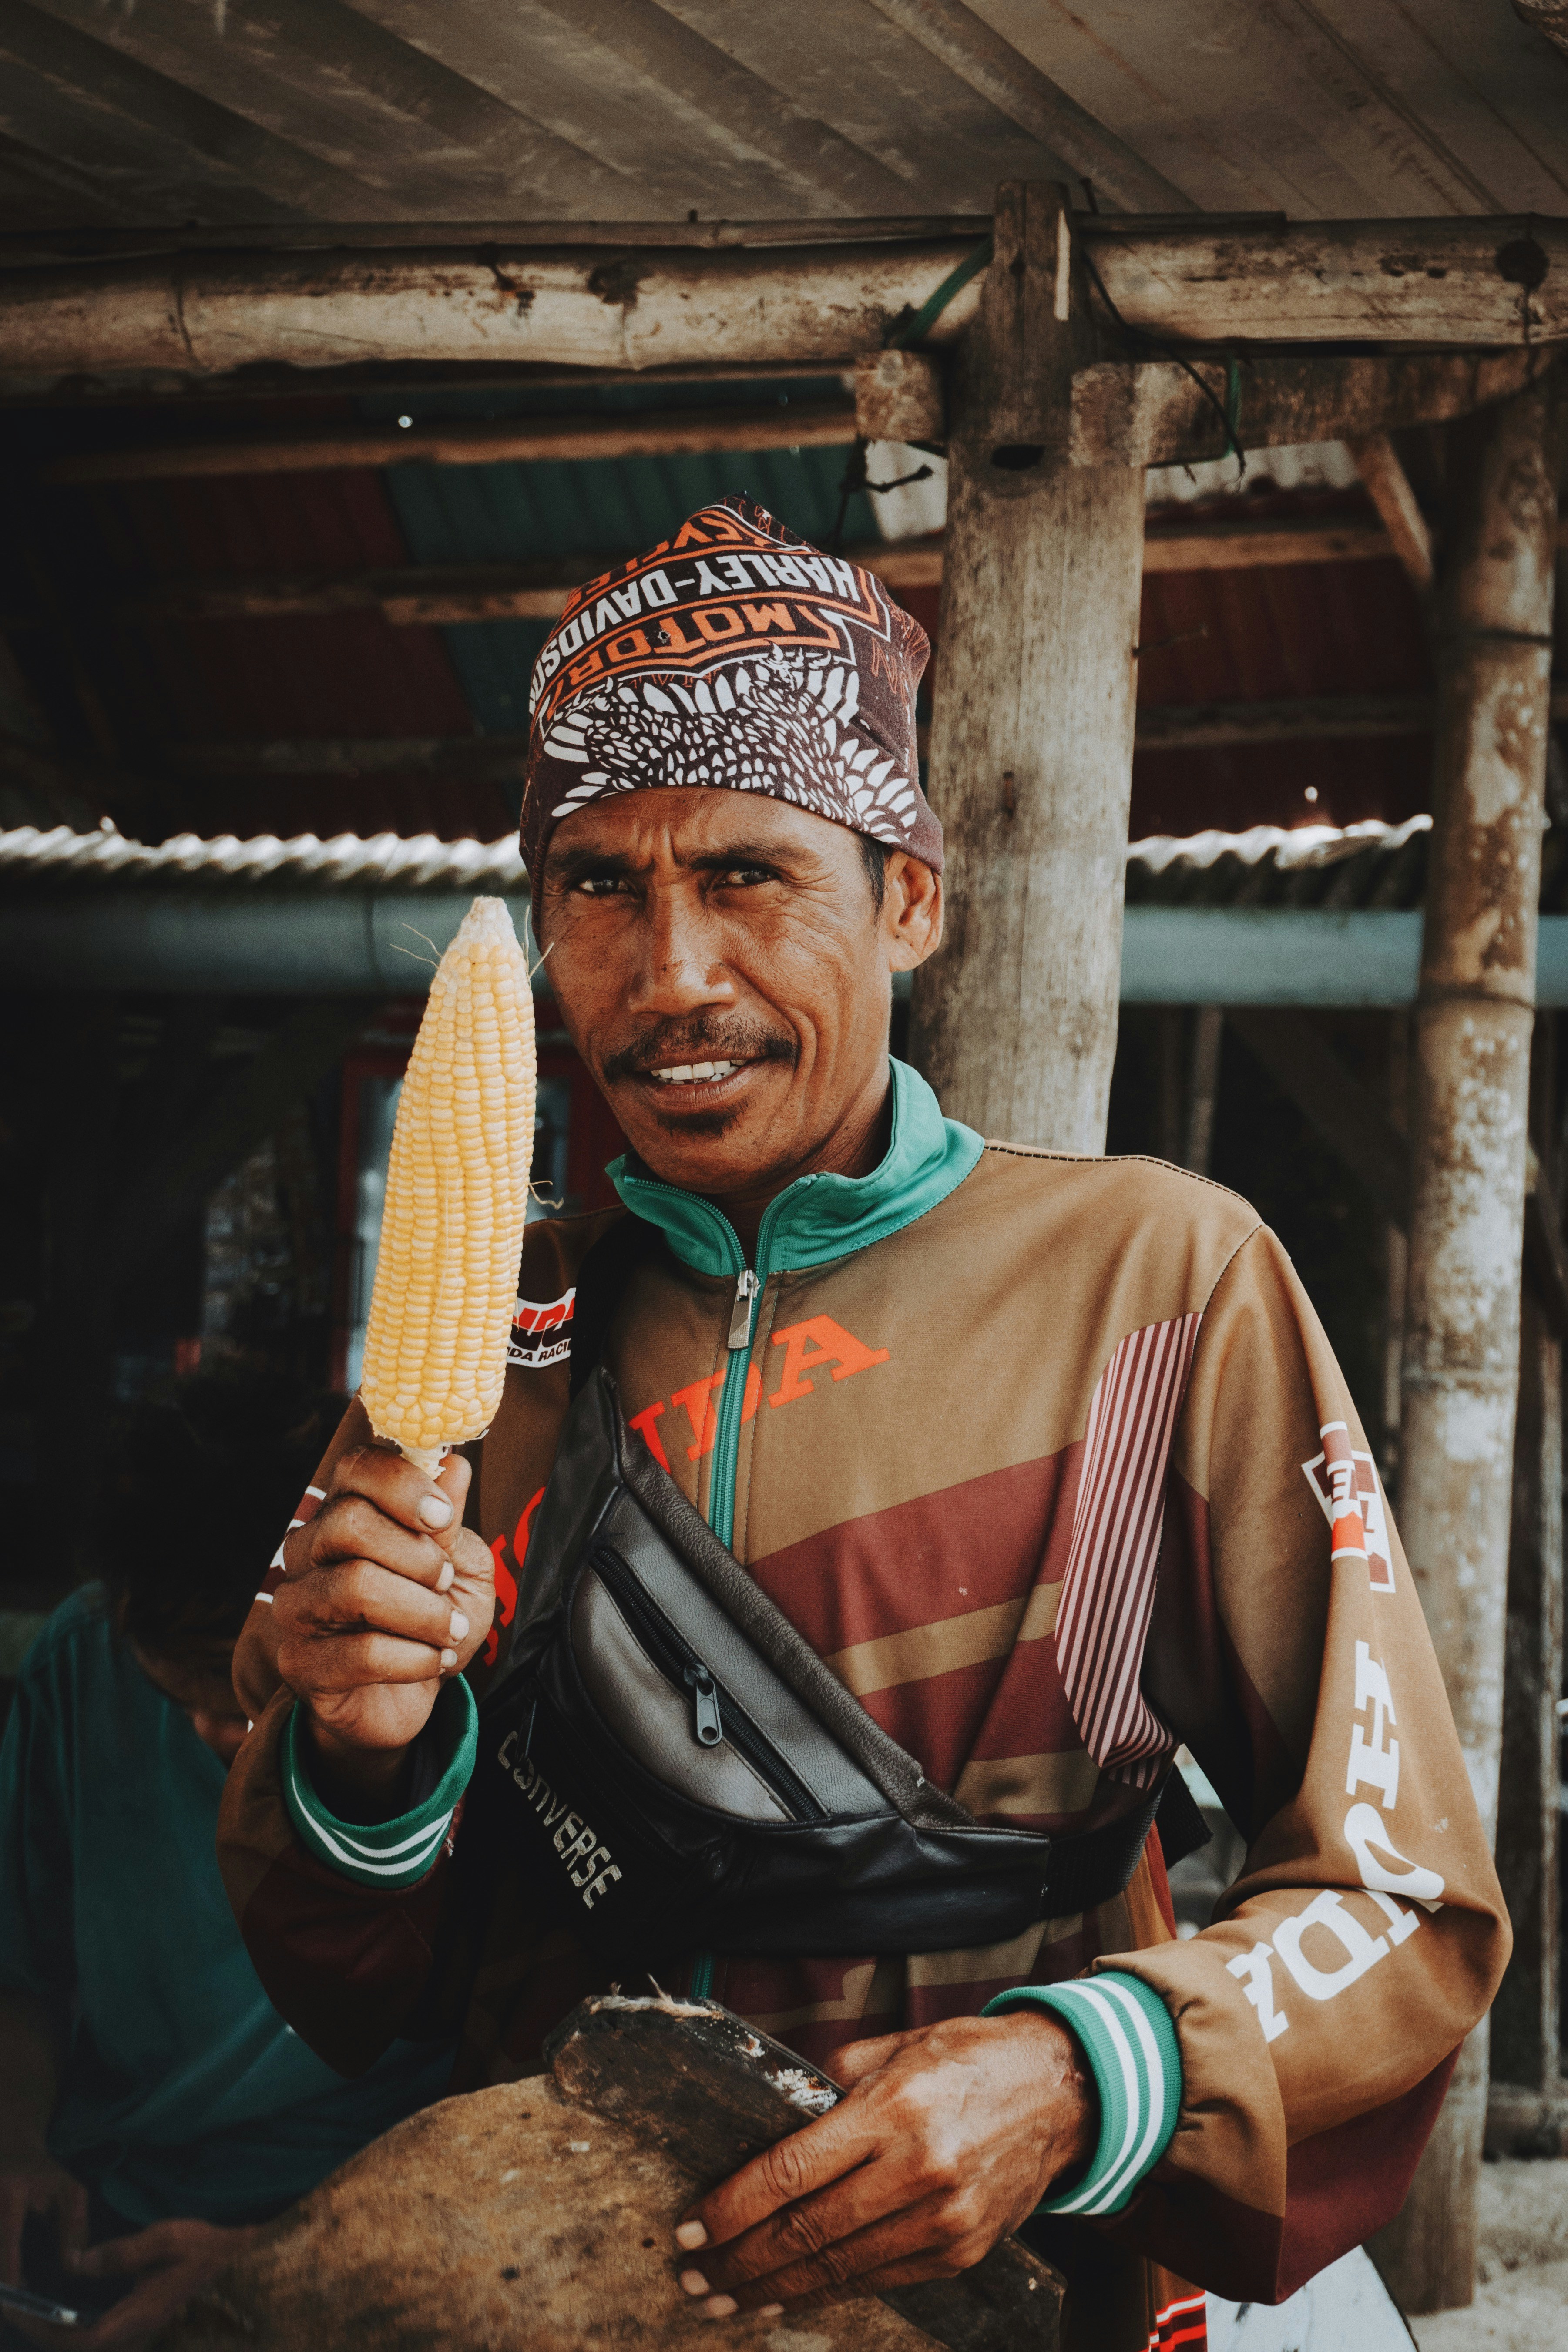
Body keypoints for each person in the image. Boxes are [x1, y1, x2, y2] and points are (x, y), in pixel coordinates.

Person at [220, 498, 1508, 2352]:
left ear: (906, 897)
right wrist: (359, 1762)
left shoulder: (1158, 1283)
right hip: (592, 2298)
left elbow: (1402, 1896)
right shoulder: (475, 1386)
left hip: (1049, 2291)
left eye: (747, 872)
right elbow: (346, 1984)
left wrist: (1082, 2071)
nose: (666, 976)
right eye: (598, 883)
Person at [0, 1383, 456, 2350]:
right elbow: (22, 1970)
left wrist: (294, 2259)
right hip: (109, 2198)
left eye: (249, 1681)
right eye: (184, 1684)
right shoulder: (79, 1662)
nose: (219, 1726)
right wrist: (16, 2148)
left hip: (376, 2226)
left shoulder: (420, 1687)